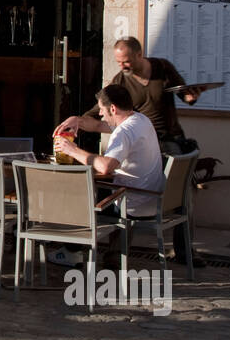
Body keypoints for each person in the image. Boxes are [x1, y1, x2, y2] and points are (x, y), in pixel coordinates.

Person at [53, 83, 168, 268]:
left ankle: (70, 252)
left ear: (113, 108)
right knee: (93, 194)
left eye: (101, 109)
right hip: (151, 198)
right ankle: (77, 250)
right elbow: (99, 125)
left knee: (81, 198)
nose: (100, 113)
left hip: (131, 202)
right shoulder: (140, 120)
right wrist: (77, 120)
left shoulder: (124, 132)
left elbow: (106, 167)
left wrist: (72, 150)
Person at [55, 37, 198, 154]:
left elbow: (184, 94)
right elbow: (97, 111)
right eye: (119, 62)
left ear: (139, 55)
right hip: (147, 143)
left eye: (126, 62)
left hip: (173, 139)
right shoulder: (120, 81)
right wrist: (77, 120)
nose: (123, 67)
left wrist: (190, 97)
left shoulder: (162, 67)